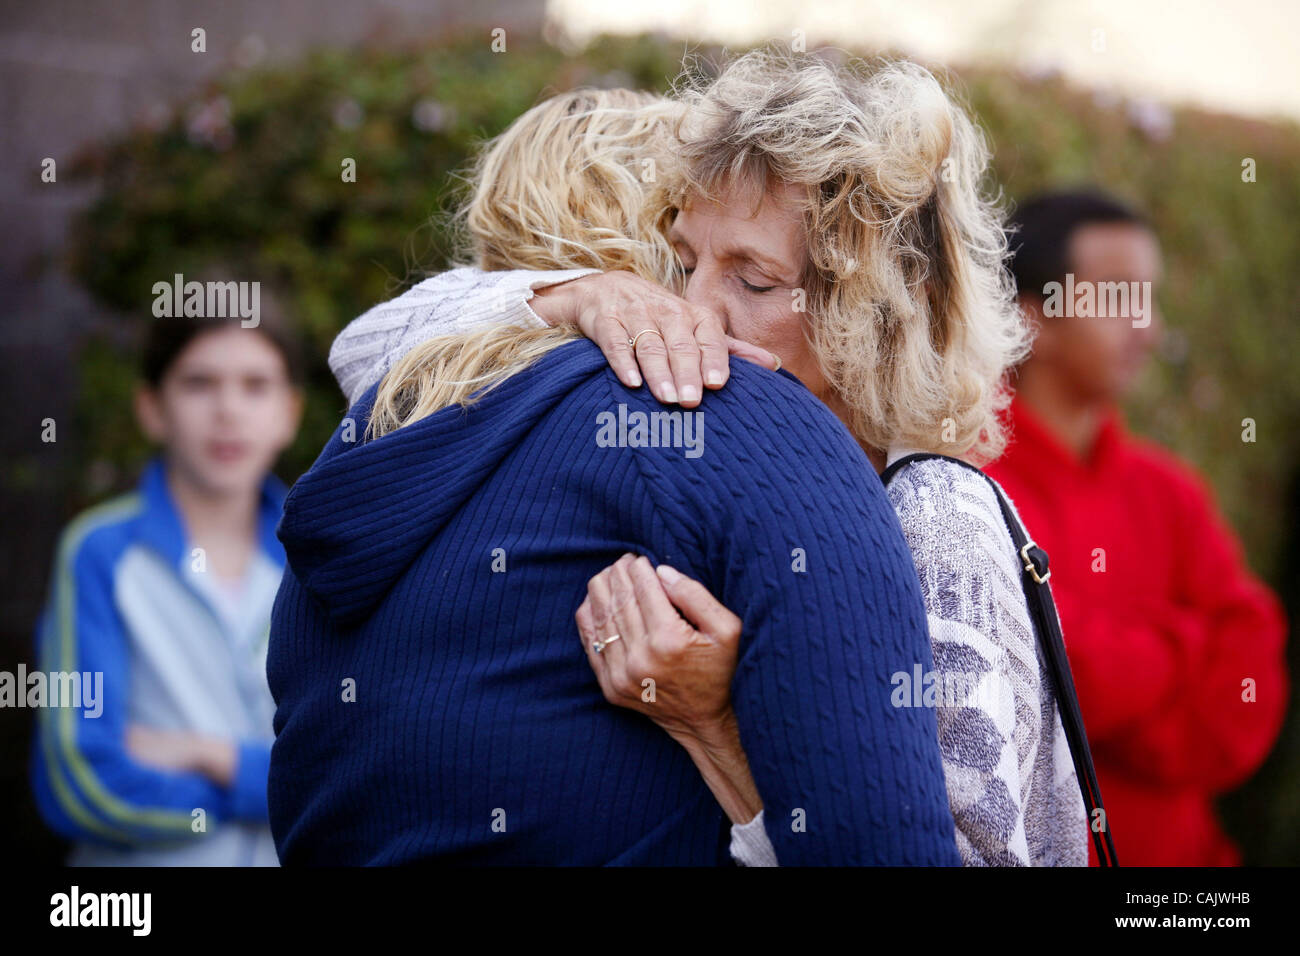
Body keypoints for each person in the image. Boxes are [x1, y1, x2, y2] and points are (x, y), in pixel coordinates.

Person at [327, 51, 1087, 866]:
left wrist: (718, 725)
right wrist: (579, 295)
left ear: (881, 315)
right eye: (685, 263)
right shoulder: (734, 479)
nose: (691, 312)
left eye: (754, 282)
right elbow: (363, 351)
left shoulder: (932, 519)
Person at [983, 189, 1289, 865]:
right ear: (1034, 317)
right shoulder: (972, 486)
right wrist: (1185, 643)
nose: (1148, 329)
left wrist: (1113, 706)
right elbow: (1045, 678)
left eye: (1150, 298)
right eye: (1119, 297)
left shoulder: (1170, 491)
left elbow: (1252, 686)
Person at [30, 311, 304, 866]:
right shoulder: (100, 553)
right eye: (199, 383)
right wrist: (269, 791)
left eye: (255, 385)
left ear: (289, 413)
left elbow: (355, 770)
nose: (228, 411)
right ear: (152, 409)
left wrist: (212, 756)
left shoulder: (321, 560)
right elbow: (81, 784)